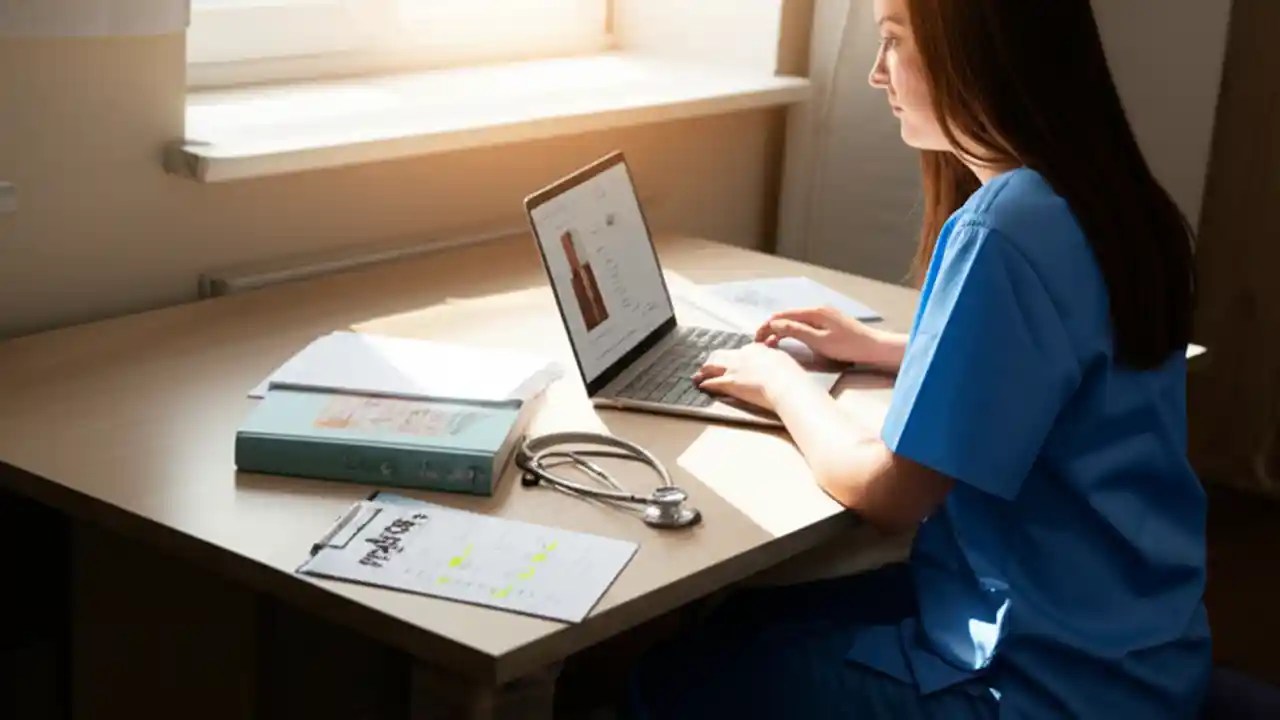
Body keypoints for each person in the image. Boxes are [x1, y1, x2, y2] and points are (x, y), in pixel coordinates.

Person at [628, 0, 1209, 717]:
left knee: (674, 675)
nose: (877, 74)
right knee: (751, 616)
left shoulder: (1006, 225)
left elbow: (890, 495)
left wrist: (785, 386)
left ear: (974, 49)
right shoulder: (1112, 198)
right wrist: (888, 350)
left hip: (1039, 686)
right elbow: (1067, 366)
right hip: (1143, 656)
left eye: (894, 42)